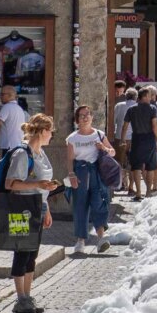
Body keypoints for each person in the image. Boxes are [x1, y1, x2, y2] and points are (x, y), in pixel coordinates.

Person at [4, 113, 62, 313]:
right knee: (21, 252)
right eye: (50, 131)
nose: (51, 136)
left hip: (38, 205)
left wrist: (46, 208)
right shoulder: (22, 154)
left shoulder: (41, 154)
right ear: (43, 131)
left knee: (32, 255)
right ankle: (20, 298)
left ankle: (28, 296)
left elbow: (42, 184)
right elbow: (10, 184)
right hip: (21, 208)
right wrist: (38, 184)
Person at [63, 105, 113, 255]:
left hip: (97, 173)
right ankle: (80, 241)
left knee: (99, 203)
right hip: (80, 174)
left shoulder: (99, 134)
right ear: (77, 120)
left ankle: (101, 239)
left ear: (92, 117)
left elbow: (112, 152)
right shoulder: (72, 138)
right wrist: (71, 175)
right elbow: (70, 159)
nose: (85, 118)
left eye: (87, 115)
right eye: (81, 116)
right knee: (80, 206)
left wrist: (103, 148)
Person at [125, 86, 157, 199]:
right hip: (149, 138)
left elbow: (125, 126)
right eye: (150, 95)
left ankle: (138, 192)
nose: (151, 97)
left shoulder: (131, 109)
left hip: (136, 138)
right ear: (145, 96)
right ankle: (148, 192)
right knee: (150, 166)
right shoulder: (152, 108)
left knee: (136, 166)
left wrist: (122, 139)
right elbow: (155, 125)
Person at [0, 83, 27, 155]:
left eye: (2, 94)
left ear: (9, 95)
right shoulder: (19, 108)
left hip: (9, 146)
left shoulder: (7, 107)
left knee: (7, 166)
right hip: (18, 145)